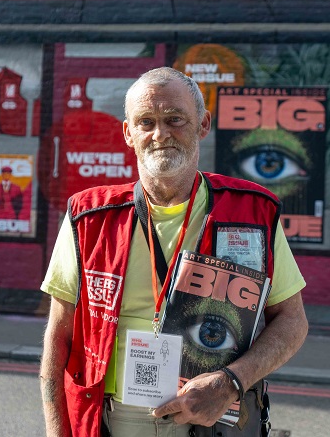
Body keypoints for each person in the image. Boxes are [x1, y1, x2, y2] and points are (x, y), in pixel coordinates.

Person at [40, 67, 308, 437]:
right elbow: (59, 337)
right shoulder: (89, 217)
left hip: (215, 417)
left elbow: (293, 321)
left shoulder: (252, 211)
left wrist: (231, 382)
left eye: (175, 119)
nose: (160, 133)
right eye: (146, 121)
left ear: (203, 124)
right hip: (115, 420)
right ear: (128, 134)